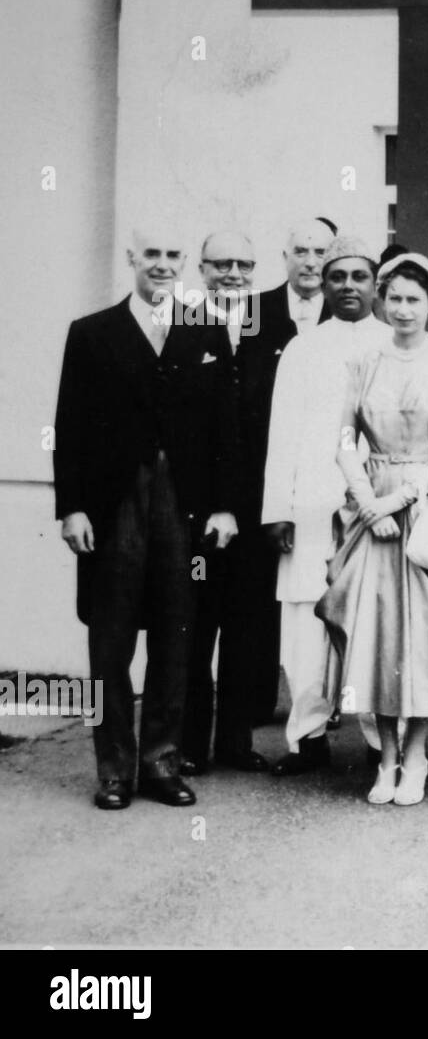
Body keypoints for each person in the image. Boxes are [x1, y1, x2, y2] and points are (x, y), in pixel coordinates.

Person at [54, 225, 238, 810]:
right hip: (114, 505)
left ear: (185, 262)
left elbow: (225, 430)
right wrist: (73, 507)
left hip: (182, 503)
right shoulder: (92, 333)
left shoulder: (205, 332)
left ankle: (161, 762)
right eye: (151, 254)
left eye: (172, 255)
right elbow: (71, 426)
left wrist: (226, 505)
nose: (162, 265)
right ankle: (113, 769)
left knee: (176, 634)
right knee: (109, 640)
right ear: (132, 259)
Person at [317, 251, 428, 806]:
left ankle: (416, 757)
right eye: (395, 298)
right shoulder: (363, 362)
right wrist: (368, 505)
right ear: (381, 302)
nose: (404, 309)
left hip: (425, 507)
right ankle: (384, 759)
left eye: (415, 299)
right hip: (372, 508)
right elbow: (343, 442)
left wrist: (402, 499)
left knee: (425, 638)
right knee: (376, 638)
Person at [263, 236, 390, 777]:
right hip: (312, 503)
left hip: (378, 506)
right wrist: (278, 508)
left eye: (359, 277)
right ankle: (306, 736)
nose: (347, 287)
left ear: (375, 283)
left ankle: (379, 739)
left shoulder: (395, 341)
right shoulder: (303, 347)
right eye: (337, 277)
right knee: (305, 625)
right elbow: (282, 432)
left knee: (373, 621)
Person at [238, 217, 338, 722]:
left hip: (323, 477)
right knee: (260, 594)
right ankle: (257, 703)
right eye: (300, 249)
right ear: (285, 256)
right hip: (264, 473)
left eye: (321, 251)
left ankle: (334, 703)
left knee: (325, 592)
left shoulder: (344, 313)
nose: (310, 261)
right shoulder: (254, 313)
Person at [181, 231, 271, 775]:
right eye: (221, 264)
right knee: (194, 628)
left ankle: (235, 743)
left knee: (246, 629)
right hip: (201, 512)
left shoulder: (266, 330)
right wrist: (212, 504)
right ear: (202, 268)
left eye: (242, 264)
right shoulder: (183, 328)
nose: (232, 273)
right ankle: (190, 744)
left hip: (255, 509)